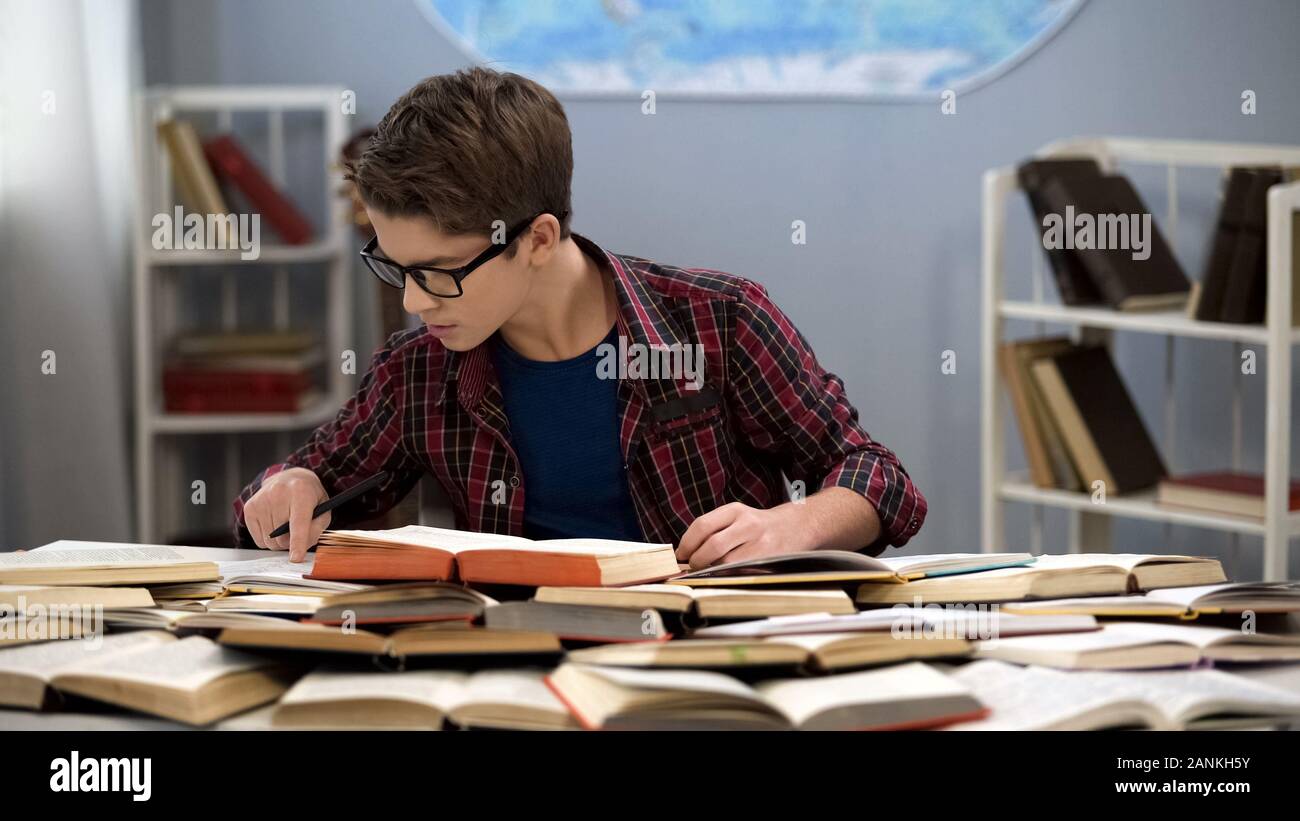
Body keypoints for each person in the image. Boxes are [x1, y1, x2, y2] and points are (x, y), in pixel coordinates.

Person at [234, 67, 926, 569]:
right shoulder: (421, 371)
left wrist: (799, 522)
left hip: (709, 663)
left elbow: (880, 478)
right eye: (394, 267)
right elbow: (289, 492)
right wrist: (291, 487)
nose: (414, 302)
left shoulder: (721, 322)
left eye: (438, 273)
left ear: (536, 238)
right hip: (515, 675)